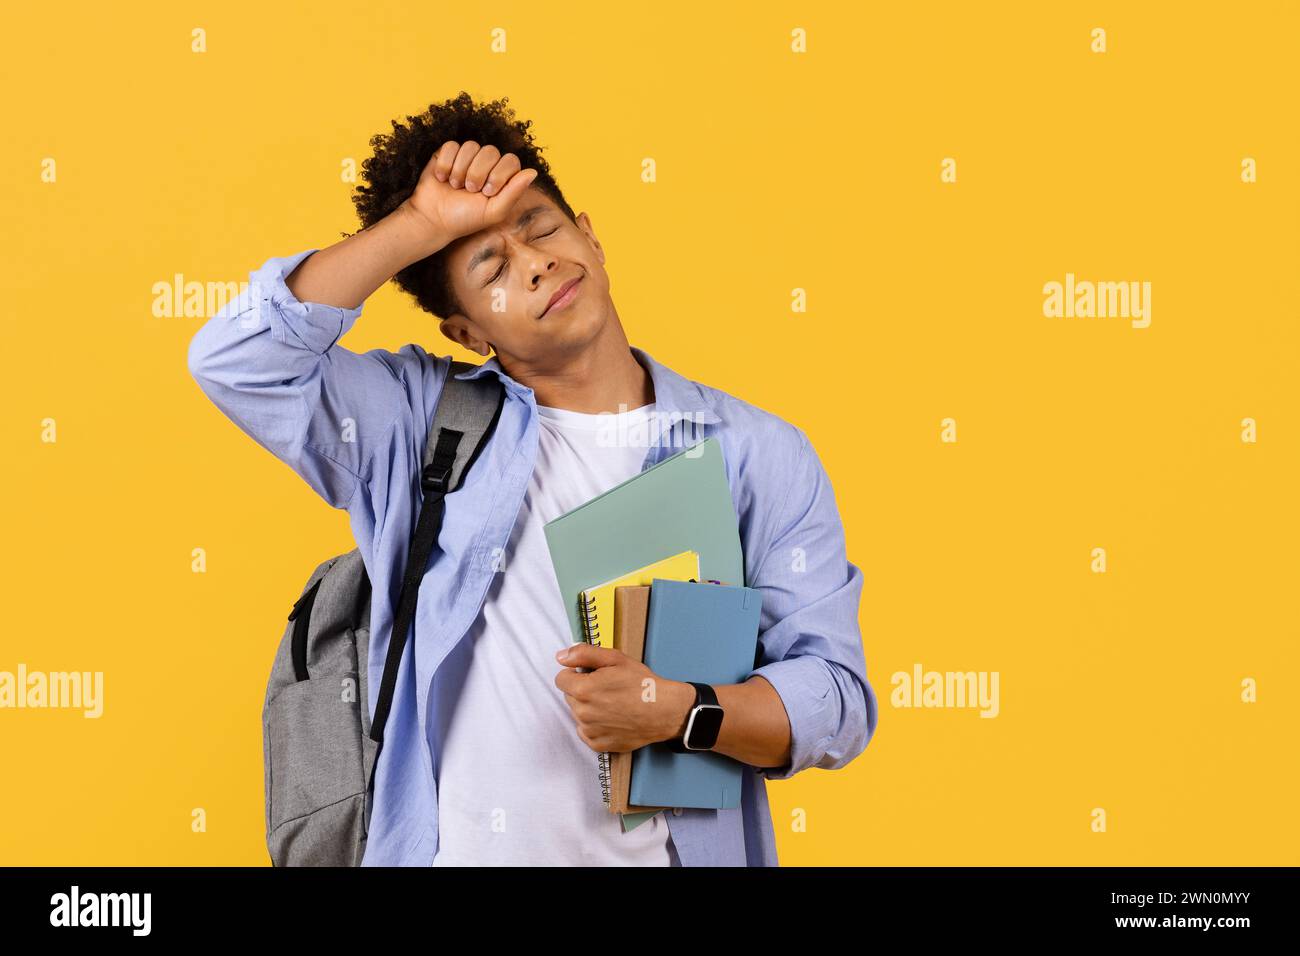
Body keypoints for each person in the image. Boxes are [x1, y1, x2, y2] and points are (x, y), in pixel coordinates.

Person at [187, 91, 877, 866]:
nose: (538, 262)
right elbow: (239, 362)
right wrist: (418, 226)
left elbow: (837, 702)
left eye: (541, 228)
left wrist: (676, 711)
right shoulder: (420, 427)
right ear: (467, 332)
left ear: (590, 236)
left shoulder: (757, 454)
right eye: (492, 266)